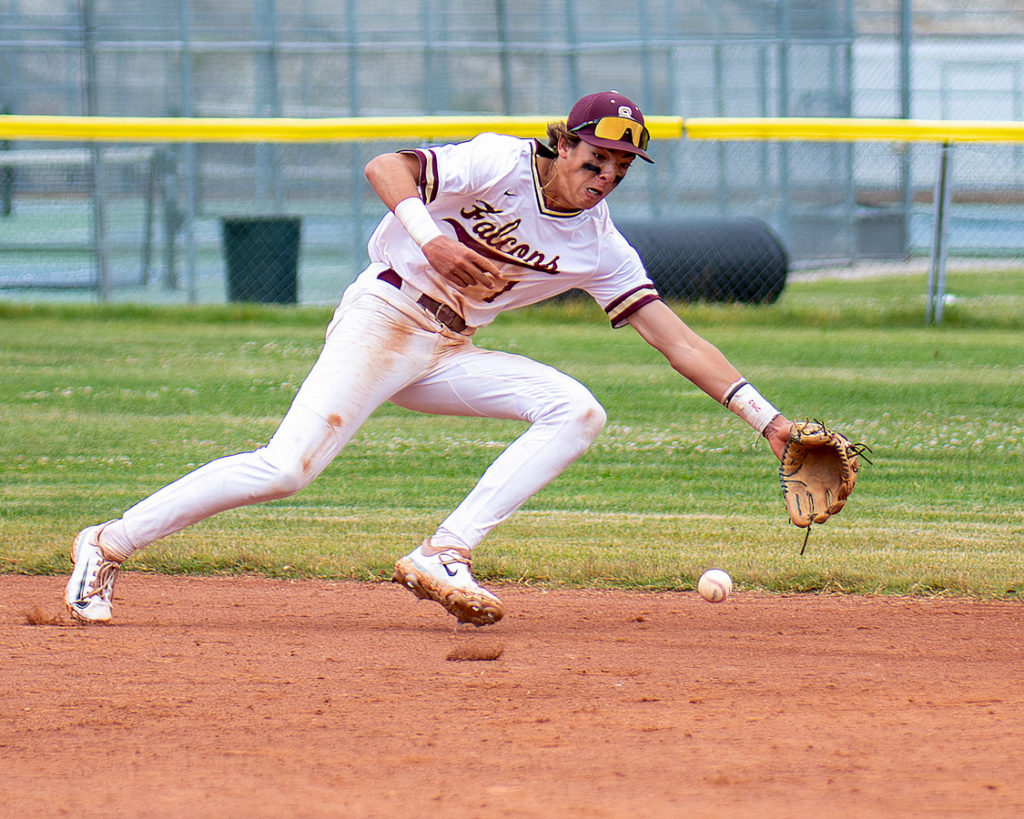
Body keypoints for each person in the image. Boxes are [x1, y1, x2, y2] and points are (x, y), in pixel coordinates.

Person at [66, 91, 792, 628]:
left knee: (576, 409)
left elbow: (677, 339)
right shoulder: (499, 160)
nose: (604, 176)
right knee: (287, 468)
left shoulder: (598, 246)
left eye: (621, 168)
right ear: (562, 146)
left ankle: (446, 550)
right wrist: (434, 238)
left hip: (447, 350)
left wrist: (771, 424)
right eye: (595, 158)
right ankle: (106, 543)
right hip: (383, 316)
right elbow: (386, 167)